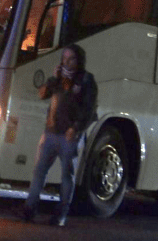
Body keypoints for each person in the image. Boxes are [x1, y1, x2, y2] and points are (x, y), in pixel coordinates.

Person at [17, 44, 98, 227]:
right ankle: (29, 209)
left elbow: (89, 109)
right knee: (39, 171)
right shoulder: (59, 79)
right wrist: (54, 78)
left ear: (79, 60)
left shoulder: (86, 80)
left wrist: (76, 128)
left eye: (71, 59)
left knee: (66, 176)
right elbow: (42, 94)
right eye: (64, 59)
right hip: (51, 132)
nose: (66, 63)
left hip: (70, 136)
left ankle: (60, 215)